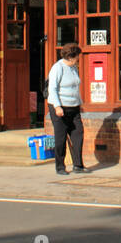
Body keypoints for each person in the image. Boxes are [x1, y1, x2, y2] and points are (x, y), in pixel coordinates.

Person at [46, 42, 86, 175]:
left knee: (78, 133)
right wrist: (57, 106)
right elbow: (52, 88)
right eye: (77, 56)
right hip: (59, 107)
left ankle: (78, 165)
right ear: (70, 56)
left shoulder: (73, 68)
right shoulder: (58, 68)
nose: (79, 59)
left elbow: (75, 86)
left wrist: (79, 103)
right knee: (61, 137)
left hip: (74, 107)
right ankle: (60, 166)